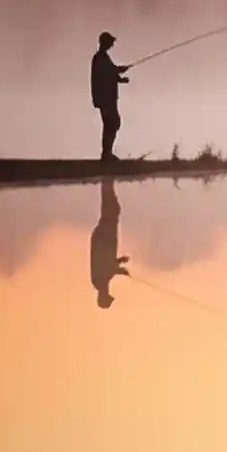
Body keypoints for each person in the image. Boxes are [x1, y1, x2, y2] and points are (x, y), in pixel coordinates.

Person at [90, 178, 130, 308]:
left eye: (107, 296)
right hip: (106, 237)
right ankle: (108, 180)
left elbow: (104, 264)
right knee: (112, 208)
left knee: (111, 209)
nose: (108, 293)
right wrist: (120, 263)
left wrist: (119, 270)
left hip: (104, 237)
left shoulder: (99, 282)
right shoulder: (102, 282)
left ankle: (107, 180)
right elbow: (108, 264)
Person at [91, 31, 131, 161]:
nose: (112, 45)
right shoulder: (100, 58)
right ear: (105, 43)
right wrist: (119, 71)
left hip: (108, 98)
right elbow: (108, 73)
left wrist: (121, 78)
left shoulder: (103, 57)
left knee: (112, 124)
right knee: (112, 123)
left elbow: (110, 74)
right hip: (105, 98)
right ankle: (106, 154)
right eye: (111, 42)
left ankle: (107, 153)